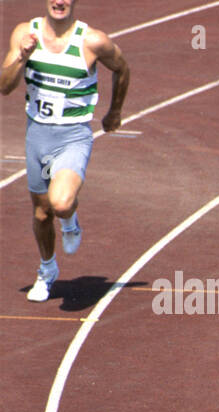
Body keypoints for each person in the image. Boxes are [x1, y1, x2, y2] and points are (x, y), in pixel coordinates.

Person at [0, 0, 129, 303]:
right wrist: (22, 56)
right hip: (38, 136)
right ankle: (47, 270)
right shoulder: (25, 34)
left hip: (73, 137)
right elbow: (4, 87)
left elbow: (122, 69)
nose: (60, 2)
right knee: (42, 213)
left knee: (60, 202)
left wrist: (114, 113)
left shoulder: (92, 41)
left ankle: (70, 222)